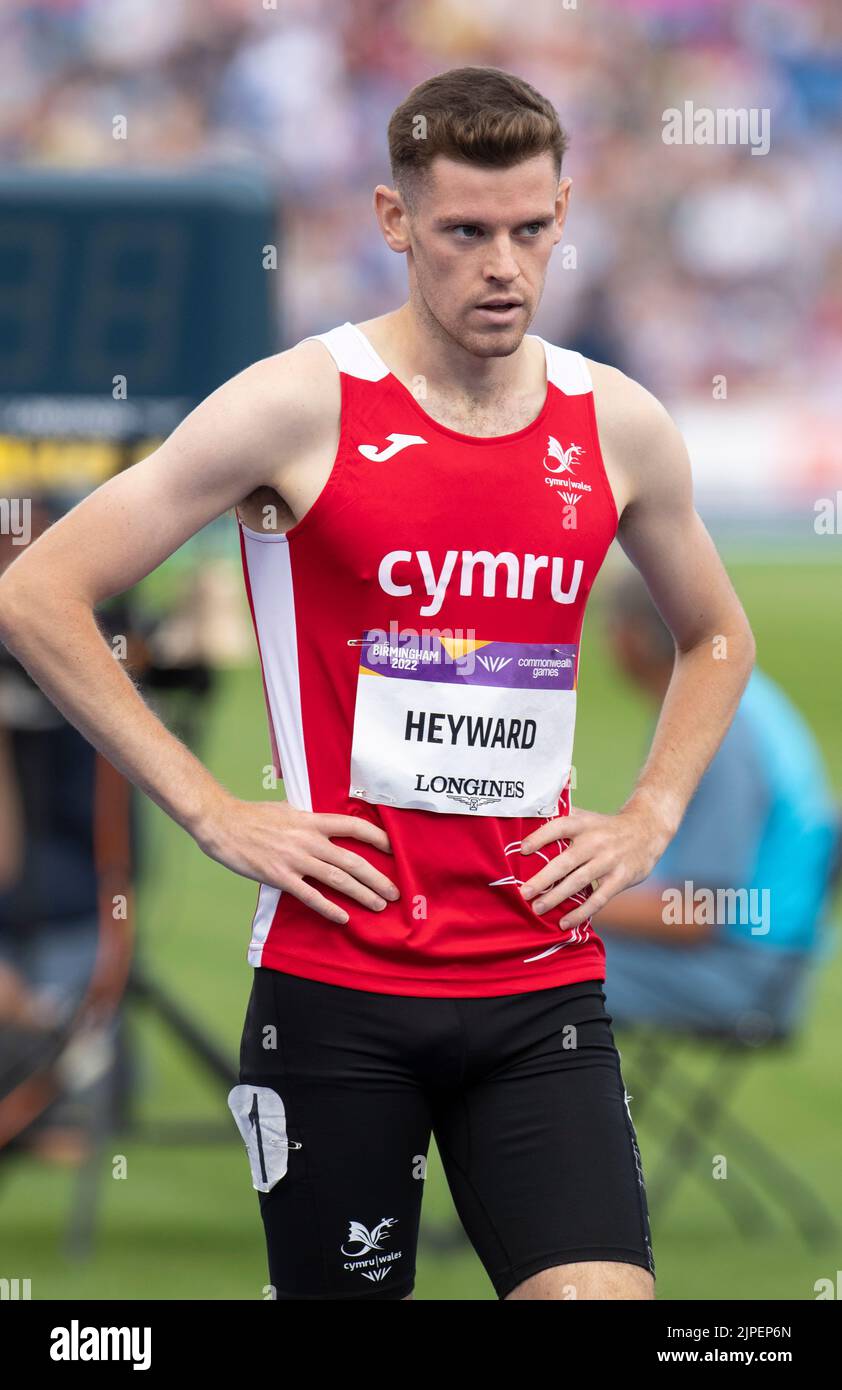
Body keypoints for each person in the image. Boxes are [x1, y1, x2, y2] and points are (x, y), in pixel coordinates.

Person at [0, 67, 757, 1301]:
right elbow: (38, 592)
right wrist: (210, 809)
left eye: (528, 229)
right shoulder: (297, 405)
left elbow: (716, 635)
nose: (501, 266)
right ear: (394, 220)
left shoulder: (615, 424)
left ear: (564, 211)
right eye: (464, 232)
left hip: (539, 983)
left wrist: (649, 815)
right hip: (337, 988)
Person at [596, 568, 839, 1039]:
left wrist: (561, 902)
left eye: (610, 624)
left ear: (635, 637)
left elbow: (697, 913)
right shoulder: (735, 702)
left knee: (532, 965)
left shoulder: (721, 731)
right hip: (751, 961)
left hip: (736, 972)